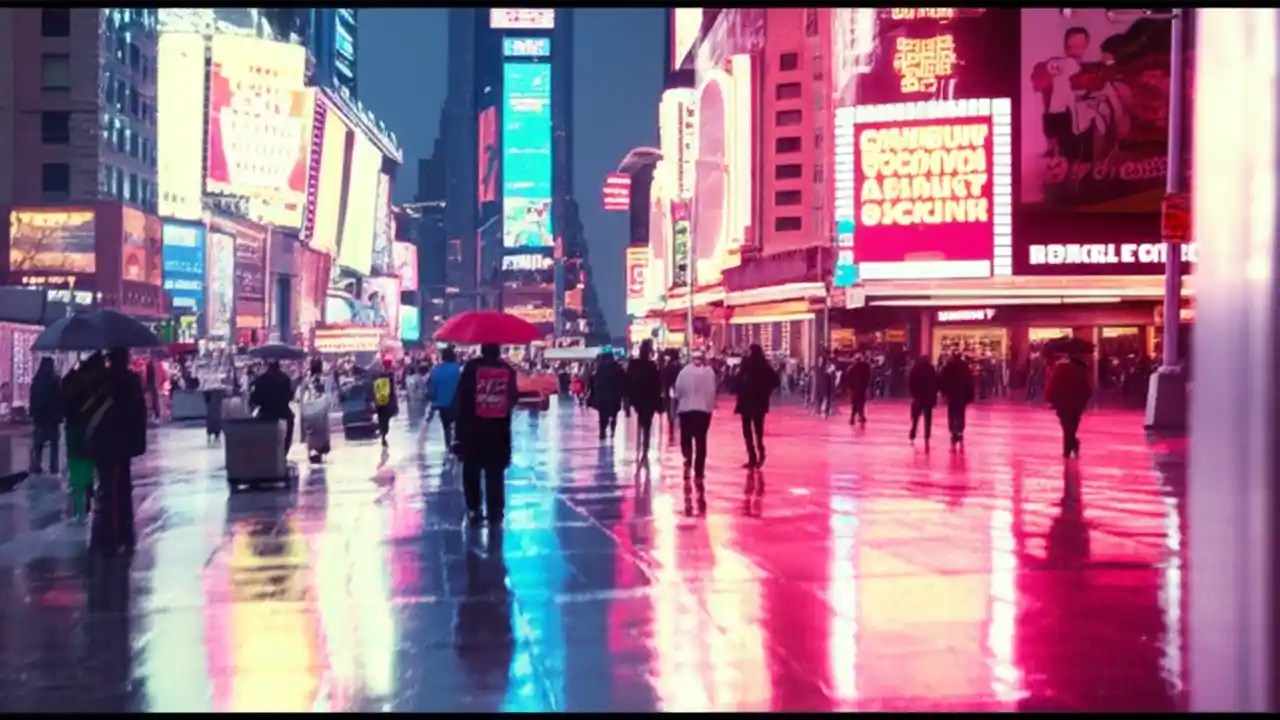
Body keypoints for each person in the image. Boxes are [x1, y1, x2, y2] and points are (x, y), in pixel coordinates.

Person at [86, 347, 147, 556]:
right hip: (123, 444)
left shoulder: (100, 382)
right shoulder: (130, 381)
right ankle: (124, 534)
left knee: (105, 488)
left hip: (104, 444)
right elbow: (138, 413)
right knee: (122, 488)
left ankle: (105, 536)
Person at [455, 342, 519, 525]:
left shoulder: (471, 368)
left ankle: (474, 508)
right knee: (495, 472)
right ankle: (495, 511)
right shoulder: (507, 369)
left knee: (471, 471)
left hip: (472, 429)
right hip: (498, 430)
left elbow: (462, 398)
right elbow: (513, 397)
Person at [62, 353, 106, 521]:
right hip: (88, 430)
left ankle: (79, 508)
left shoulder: (68, 381)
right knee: (88, 465)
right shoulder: (94, 384)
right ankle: (88, 496)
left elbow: (63, 405)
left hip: (72, 429)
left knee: (75, 468)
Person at [673, 350, 717, 489]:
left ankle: (687, 462)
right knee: (701, 441)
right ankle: (699, 470)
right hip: (703, 411)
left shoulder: (684, 372)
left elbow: (678, 391)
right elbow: (712, 391)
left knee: (686, 438)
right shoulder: (709, 373)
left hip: (686, 410)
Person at [734, 344, 780, 469]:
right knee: (758, 430)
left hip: (746, 401)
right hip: (759, 401)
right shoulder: (764, 366)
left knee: (747, 430)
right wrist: (766, 391)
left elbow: (737, 380)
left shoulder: (746, 365)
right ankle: (760, 453)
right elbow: (775, 380)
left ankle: (752, 456)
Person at [1046, 345, 1093, 459]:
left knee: (1067, 426)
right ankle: (1071, 446)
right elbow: (1086, 388)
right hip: (1076, 403)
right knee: (1072, 426)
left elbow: (1052, 386)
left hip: (1063, 403)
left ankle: (1069, 448)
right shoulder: (1081, 369)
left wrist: (1051, 399)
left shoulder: (1059, 370)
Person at [249, 359, 297, 456]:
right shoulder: (285, 378)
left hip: (265, 414)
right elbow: (290, 396)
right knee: (290, 422)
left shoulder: (260, 380)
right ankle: (284, 451)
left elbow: (254, 400)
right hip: (283, 412)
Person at [625, 340, 663, 462]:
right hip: (650, 400)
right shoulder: (652, 366)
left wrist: (628, 399)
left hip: (638, 399)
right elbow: (657, 385)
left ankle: (639, 448)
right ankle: (644, 451)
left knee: (641, 422)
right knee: (647, 425)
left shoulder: (634, 365)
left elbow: (628, 382)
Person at [28, 357, 64, 475]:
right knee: (54, 444)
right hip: (52, 419)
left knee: (38, 444)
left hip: (40, 418)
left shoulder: (36, 382)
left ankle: (37, 465)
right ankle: (54, 466)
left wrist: (33, 414)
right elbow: (60, 399)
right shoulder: (56, 381)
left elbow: (32, 400)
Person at [937, 351, 976, 450]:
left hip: (952, 394)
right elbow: (969, 381)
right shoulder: (964, 366)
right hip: (961, 394)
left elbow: (942, 379)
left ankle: (953, 431)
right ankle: (960, 431)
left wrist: (944, 391)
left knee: (952, 413)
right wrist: (969, 395)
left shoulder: (949, 366)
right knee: (960, 413)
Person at [427, 346, 462, 451]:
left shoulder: (436, 370)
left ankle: (447, 445)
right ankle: (456, 444)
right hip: (456, 403)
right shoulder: (457, 369)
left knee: (446, 426)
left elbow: (432, 389)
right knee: (458, 425)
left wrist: (432, 400)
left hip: (442, 404)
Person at [298, 358, 332, 463]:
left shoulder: (306, 381)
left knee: (311, 432)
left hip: (309, 410)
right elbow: (328, 395)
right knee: (321, 431)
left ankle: (311, 450)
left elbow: (301, 395)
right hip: (320, 410)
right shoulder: (324, 380)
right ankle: (320, 450)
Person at [590, 352, 626, 441]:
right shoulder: (617, 367)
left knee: (602, 415)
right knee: (614, 415)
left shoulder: (600, 368)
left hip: (603, 396)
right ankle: (612, 430)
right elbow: (623, 381)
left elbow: (595, 381)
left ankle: (602, 430)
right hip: (615, 396)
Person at [907, 355, 940, 446]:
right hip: (928, 396)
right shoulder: (931, 369)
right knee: (928, 417)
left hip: (918, 396)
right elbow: (936, 381)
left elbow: (911, 381)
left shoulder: (916, 369)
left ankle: (913, 432)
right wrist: (934, 392)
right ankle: (927, 435)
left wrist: (913, 393)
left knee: (916, 416)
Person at [371, 357, 400, 448]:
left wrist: (373, 399)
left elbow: (374, 388)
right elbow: (393, 391)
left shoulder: (376, 375)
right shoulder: (390, 375)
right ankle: (384, 434)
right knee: (386, 419)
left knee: (381, 418)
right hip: (388, 401)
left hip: (379, 401)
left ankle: (383, 433)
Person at [660, 349, 683, 443]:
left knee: (671, 411)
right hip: (679, 391)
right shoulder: (681, 367)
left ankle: (672, 427)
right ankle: (678, 427)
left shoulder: (667, 368)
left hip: (669, 391)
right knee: (678, 409)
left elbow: (663, 381)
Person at [846, 353, 872, 426]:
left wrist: (849, 388)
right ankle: (860, 416)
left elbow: (848, 379)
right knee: (861, 403)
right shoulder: (866, 367)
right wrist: (867, 386)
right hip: (862, 389)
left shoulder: (852, 368)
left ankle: (853, 417)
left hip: (855, 389)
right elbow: (868, 377)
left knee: (854, 403)